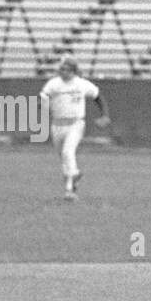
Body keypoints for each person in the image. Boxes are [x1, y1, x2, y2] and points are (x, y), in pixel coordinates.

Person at [39, 56, 109, 200]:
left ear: (74, 71)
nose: (63, 72)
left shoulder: (81, 84)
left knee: (67, 152)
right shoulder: (54, 84)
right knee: (64, 159)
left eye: (66, 70)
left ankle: (72, 181)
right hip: (57, 125)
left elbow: (97, 96)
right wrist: (41, 104)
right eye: (61, 69)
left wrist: (104, 115)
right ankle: (71, 188)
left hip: (75, 124)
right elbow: (44, 97)